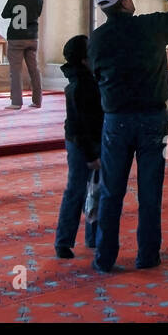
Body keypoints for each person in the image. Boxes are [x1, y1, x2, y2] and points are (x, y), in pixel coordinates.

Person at [87, 0, 168, 272]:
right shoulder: (150, 27)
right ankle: (147, 255)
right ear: (123, 2)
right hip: (151, 120)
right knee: (149, 191)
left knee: (111, 192)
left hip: (115, 122)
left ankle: (105, 257)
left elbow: (96, 76)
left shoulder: (98, 39)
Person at [55, 34, 103, 258]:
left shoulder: (86, 80)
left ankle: (91, 237)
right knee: (77, 190)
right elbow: (80, 125)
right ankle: (64, 241)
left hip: (86, 141)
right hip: (82, 143)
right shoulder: (82, 86)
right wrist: (92, 154)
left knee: (95, 190)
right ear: (84, 59)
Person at [2, 0, 44, 109]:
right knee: (34, 69)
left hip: (16, 36)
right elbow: (38, 12)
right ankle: (37, 101)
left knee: (15, 70)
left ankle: (16, 102)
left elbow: (5, 14)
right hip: (32, 36)